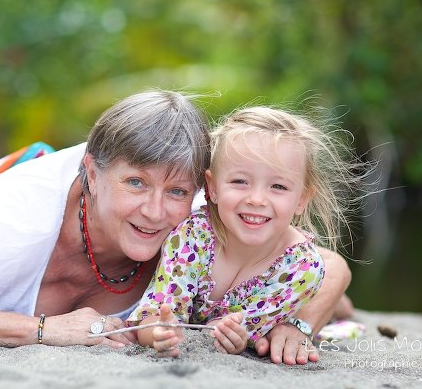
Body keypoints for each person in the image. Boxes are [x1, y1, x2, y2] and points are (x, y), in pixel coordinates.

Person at [0, 90, 351, 363]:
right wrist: (44, 330)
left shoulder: (199, 202)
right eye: (135, 183)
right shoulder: (18, 221)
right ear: (92, 173)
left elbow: (327, 267)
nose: (155, 211)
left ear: (199, 187)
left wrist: (298, 325)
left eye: (175, 191)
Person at [129, 105, 367, 358]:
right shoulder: (192, 236)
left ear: (302, 199)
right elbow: (154, 315)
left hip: (290, 289)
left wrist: (238, 336)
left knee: (331, 295)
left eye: (278, 186)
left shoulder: (302, 269)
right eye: (240, 181)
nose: (256, 199)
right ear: (212, 187)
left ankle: (339, 305)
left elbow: (246, 334)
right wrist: (158, 332)